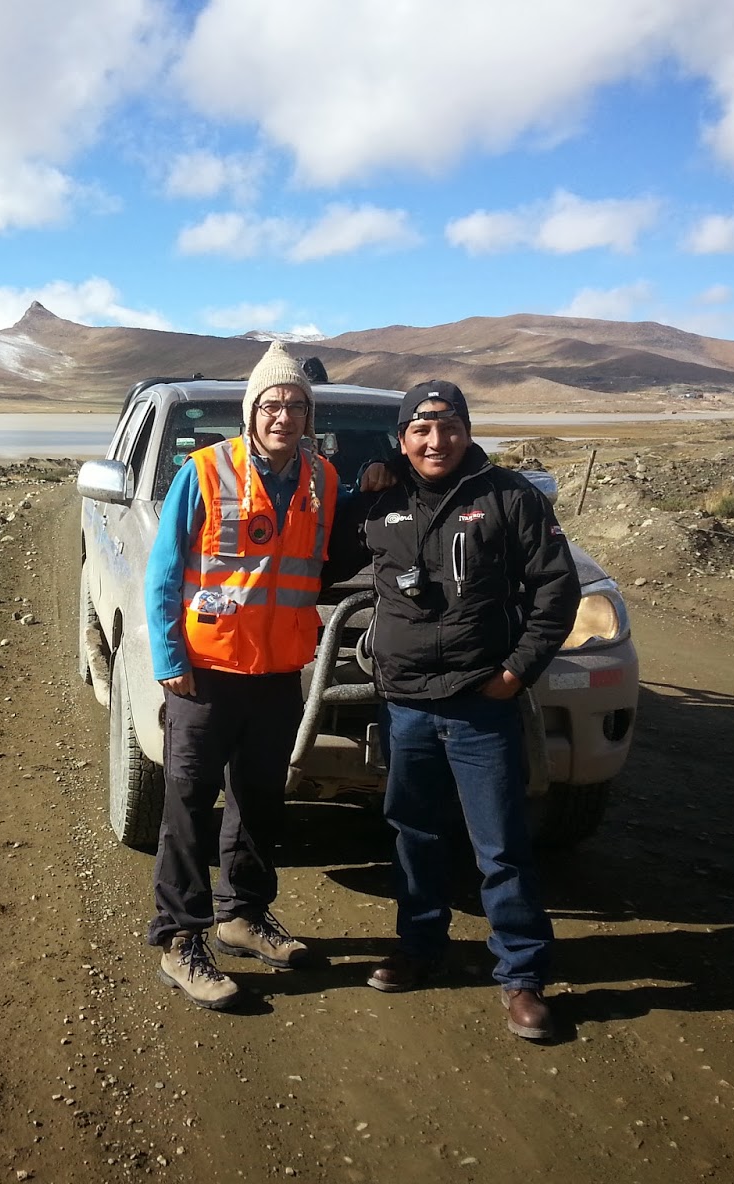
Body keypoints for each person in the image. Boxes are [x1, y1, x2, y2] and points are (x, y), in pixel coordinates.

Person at [355, 380, 580, 1040]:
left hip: (481, 703)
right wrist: (365, 479)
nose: (435, 440)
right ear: (402, 437)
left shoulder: (511, 497)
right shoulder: (379, 498)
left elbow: (556, 592)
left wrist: (515, 672)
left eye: (447, 426)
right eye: (420, 429)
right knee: (414, 834)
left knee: (501, 844)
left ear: (467, 430)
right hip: (404, 704)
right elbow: (321, 552)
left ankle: (522, 977)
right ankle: (420, 948)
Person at [144, 341, 339, 1010]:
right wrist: (170, 661)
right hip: (205, 673)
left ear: (310, 415)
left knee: (260, 803)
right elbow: (164, 574)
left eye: (297, 406)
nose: (284, 416)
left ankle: (242, 915)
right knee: (189, 808)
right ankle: (180, 940)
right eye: (273, 404)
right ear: (252, 411)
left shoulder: (326, 480)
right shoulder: (203, 472)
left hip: (279, 673)